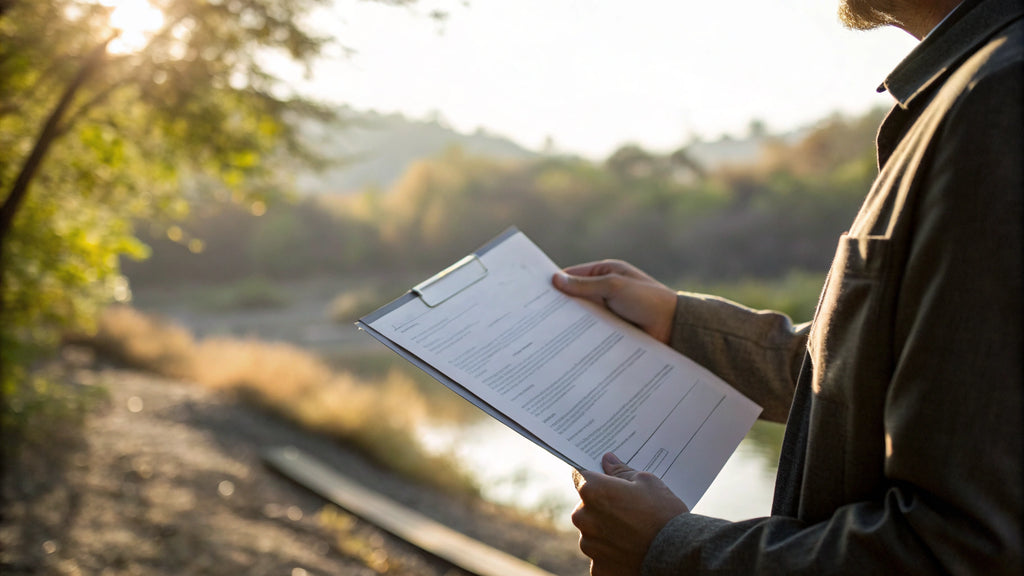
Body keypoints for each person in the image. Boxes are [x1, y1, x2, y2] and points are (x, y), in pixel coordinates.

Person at [552, 0, 1024, 574]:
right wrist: (679, 322)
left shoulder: (1001, 100)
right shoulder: (975, 86)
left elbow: (959, 552)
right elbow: (873, 372)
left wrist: (672, 549)